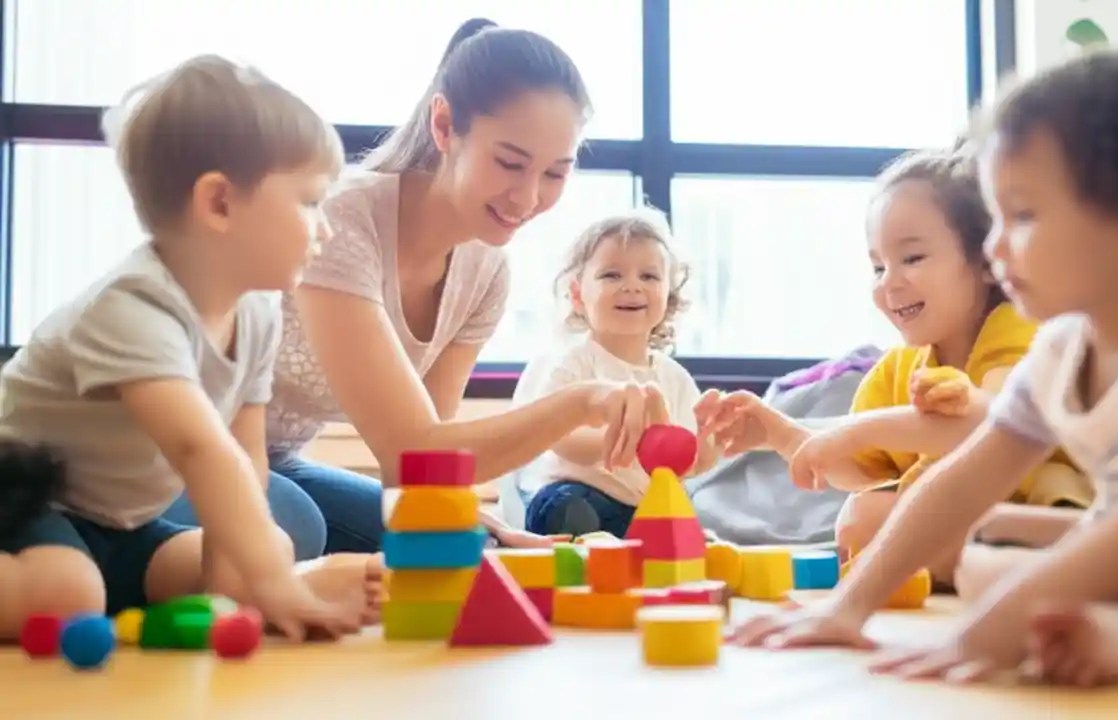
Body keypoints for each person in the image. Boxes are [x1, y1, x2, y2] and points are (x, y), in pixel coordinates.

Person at [729, 44, 1118, 687]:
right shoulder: (1063, 349)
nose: (993, 249)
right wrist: (850, 606)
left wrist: (986, 634)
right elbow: (962, 481)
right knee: (980, 555)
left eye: (1021, 216)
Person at [166, 18, 667, 556]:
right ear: (445, 124)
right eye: (509, 163)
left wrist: (473, 535)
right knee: (296, 528)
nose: (527, 198)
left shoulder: (486, 272)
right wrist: (583, 401)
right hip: (161, 449)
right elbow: (410, 449)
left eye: (555, 173)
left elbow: (421, 473)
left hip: (270, 460)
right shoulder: (340, 222)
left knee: (466, 544)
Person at [0, 56, 371, 642]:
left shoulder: (257, 310)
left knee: (257, 547)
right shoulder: (134, 308)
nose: (324, 228)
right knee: (68, 592)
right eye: (308, 201)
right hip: (17, 496)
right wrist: (273, 582)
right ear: (219, 203)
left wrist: (243, 586)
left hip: (115, 518)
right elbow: (200, 450)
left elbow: (246, 458)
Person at [696, 146, 1091, 587]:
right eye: (878, 266)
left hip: (1040, 510)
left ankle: (1033, 570)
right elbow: (859, 469)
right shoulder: (897, 368)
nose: (889, 282)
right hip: (966, 525)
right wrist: (778, 434)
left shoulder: (1017, 326)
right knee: (863, 513)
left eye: (912, 258)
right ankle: (973, 570)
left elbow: (993, 424)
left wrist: (850, 433)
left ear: (985, 263)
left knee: (925, 519)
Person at [515, 207, 720, 537]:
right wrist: (627, 440)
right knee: (566, 510)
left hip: (644, 506)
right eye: (612, 275)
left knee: (684, 525)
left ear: (668, 298)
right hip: (581, 492)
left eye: (649, 276)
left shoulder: (675, 378)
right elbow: (558, 439)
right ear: (578, 295)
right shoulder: (575, 363)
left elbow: (688, 464)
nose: (632, 286)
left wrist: (712, 444)